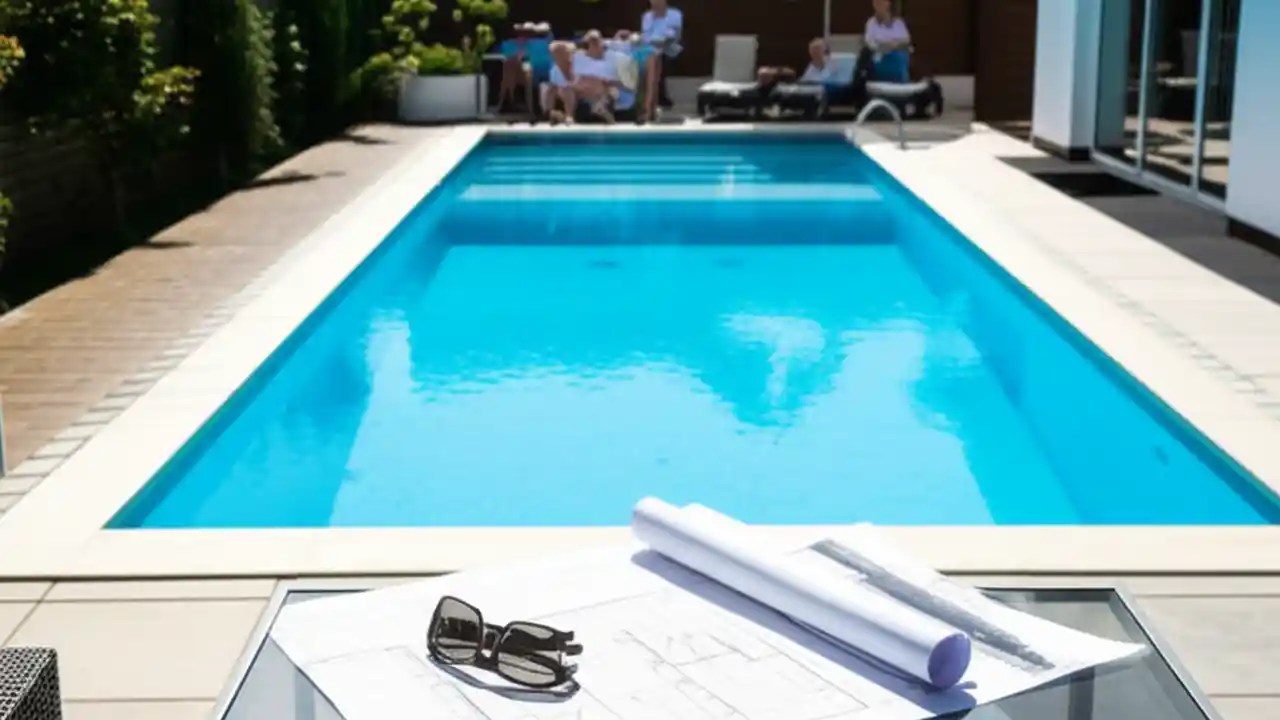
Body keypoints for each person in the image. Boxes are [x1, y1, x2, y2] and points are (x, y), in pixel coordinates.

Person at [641, 0, 683, 121]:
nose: (654, 4)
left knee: (654, 56)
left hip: (671, 47)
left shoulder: (675, 14)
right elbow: (646, 37)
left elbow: (675, 36)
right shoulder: (647, 16)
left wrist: (660, 40)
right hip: (653, 49)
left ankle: (649, 106)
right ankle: (651, 106)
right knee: (653, 56)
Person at [865, 0, 911, 83]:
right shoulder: (871, 23)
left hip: (898, 57)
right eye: (876, 3)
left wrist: (894, 45)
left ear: (888, 3)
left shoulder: (899, 23)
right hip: (880, 58)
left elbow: (906, 41)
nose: (879, 5)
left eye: (881, 2)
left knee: (899, 57)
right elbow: (870, 43)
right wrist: (887, 45)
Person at [543, 40, 578, 124]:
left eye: (560, 53)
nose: (557, 55)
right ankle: (550, 113)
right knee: (551, 89)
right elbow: (555, 83)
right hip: (562, 91)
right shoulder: (554, 68)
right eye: (555, 53)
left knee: (567, 90)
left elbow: (575, 81)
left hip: (579, 89)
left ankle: (569, 116)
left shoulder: (576, 64)